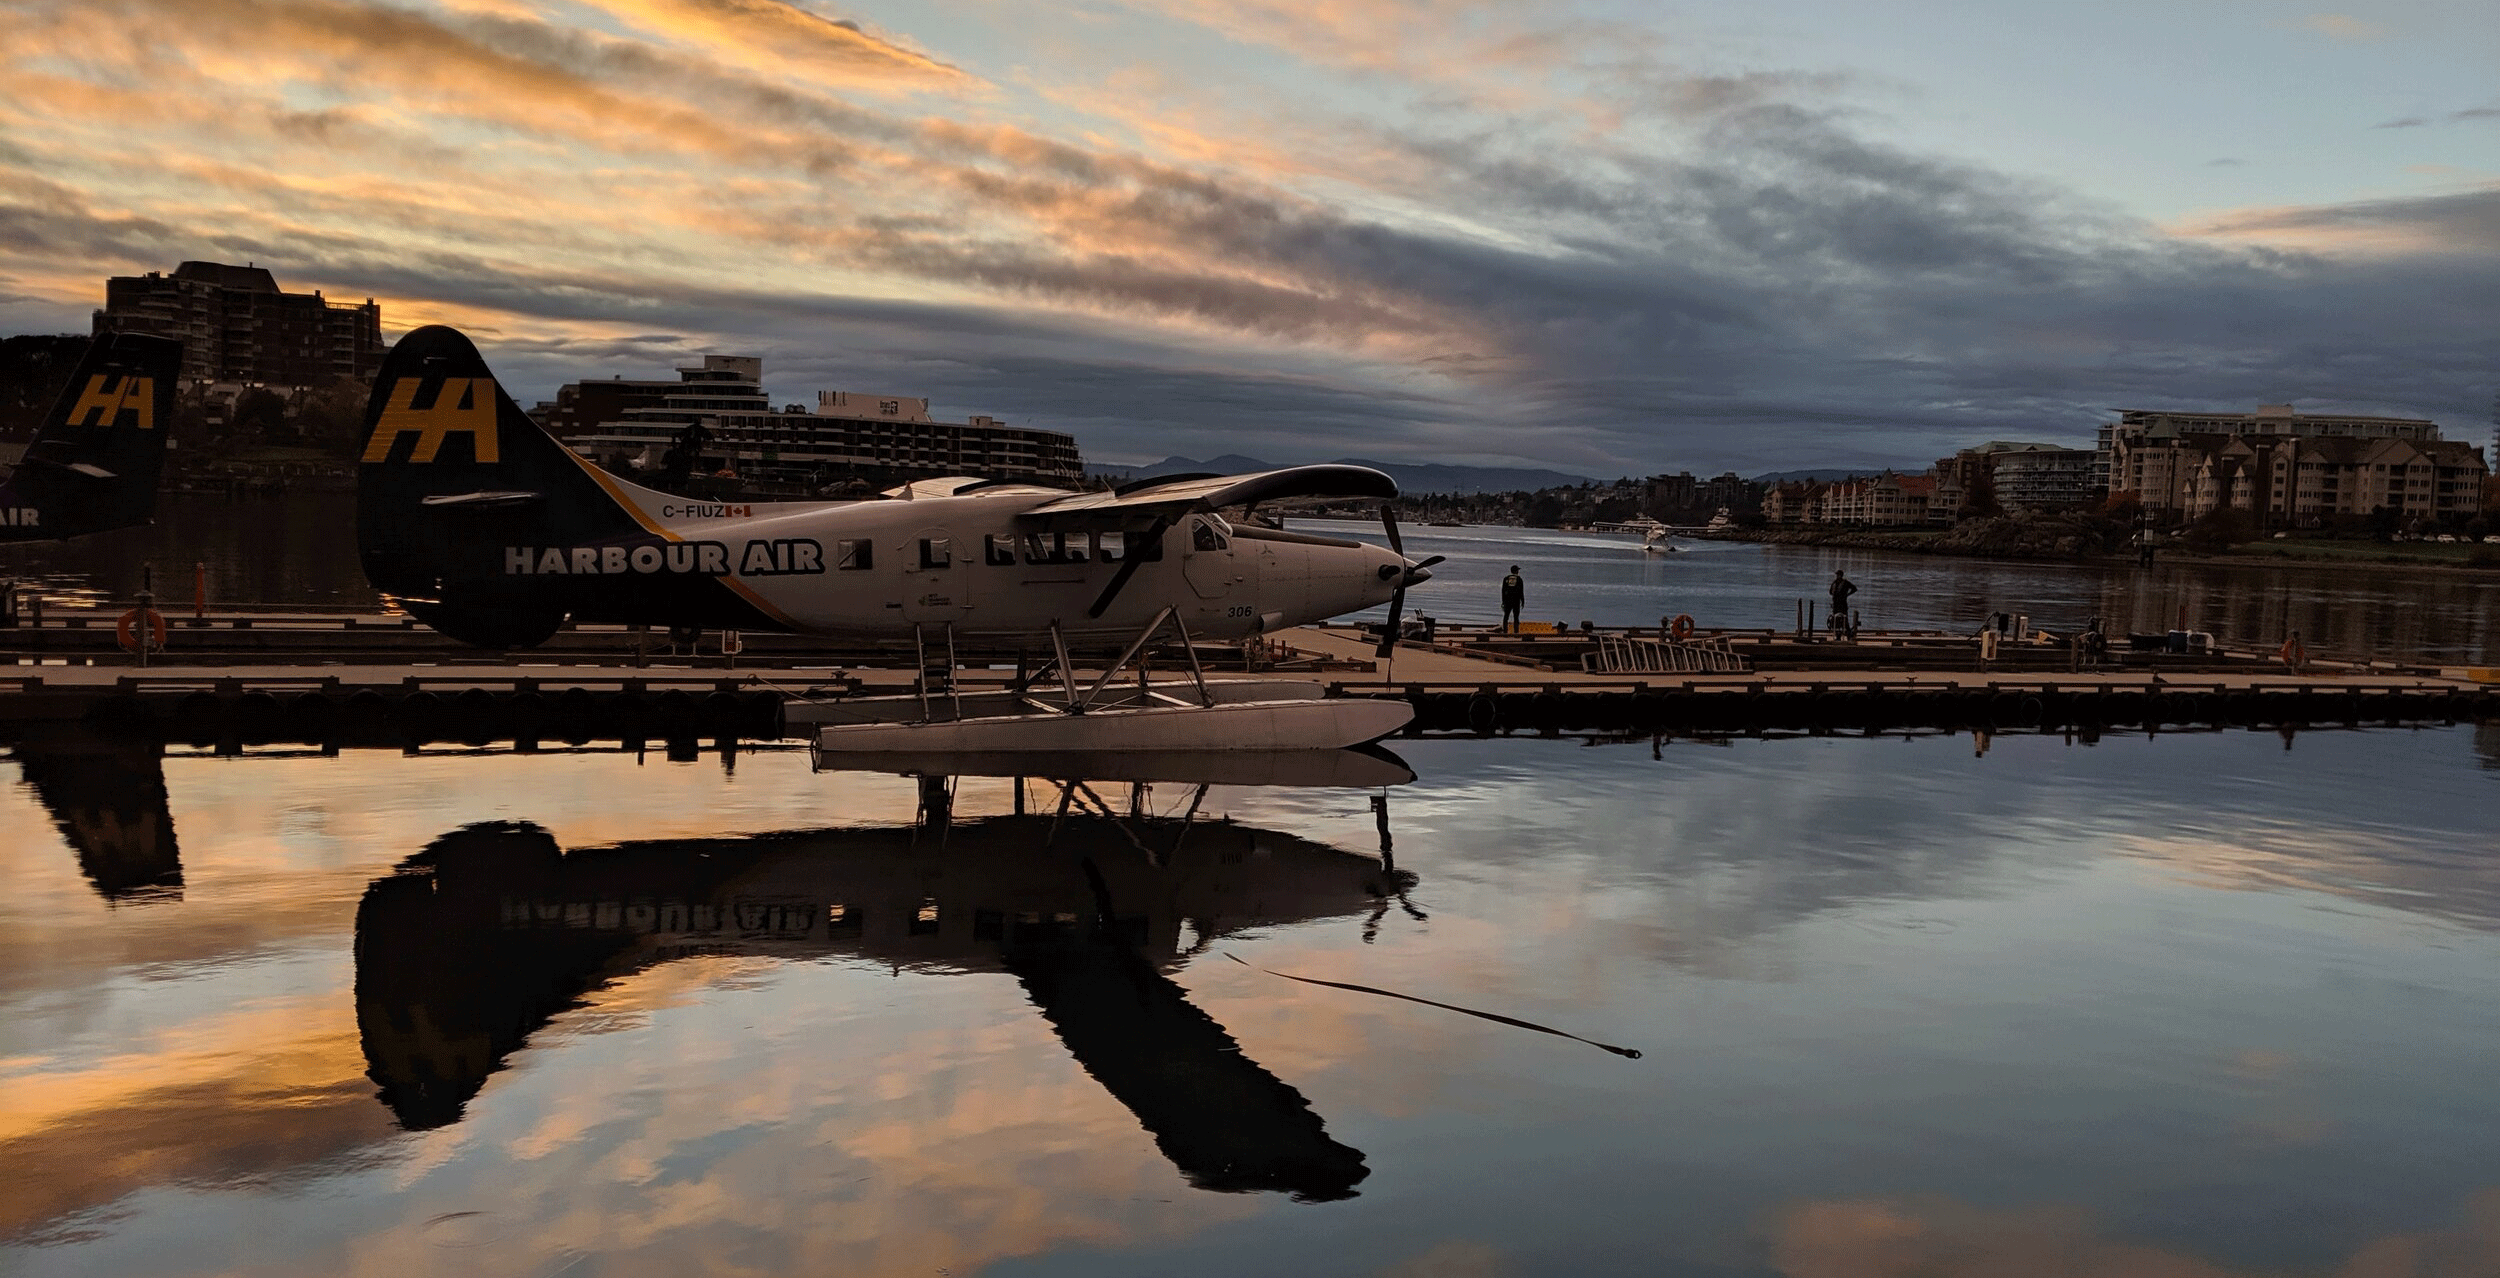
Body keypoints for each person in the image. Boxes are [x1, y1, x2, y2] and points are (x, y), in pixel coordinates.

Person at [1827, 570, 1857, 637]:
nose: (1837, 576)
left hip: (1843, 604)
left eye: (1838, 575)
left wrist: (1847, 594)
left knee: (1845, 619)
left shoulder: (1845, 583)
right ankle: (1837, 633)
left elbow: (1854, 588)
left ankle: (1848, 633)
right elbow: (1830, 592)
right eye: (1837, 575)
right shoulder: (1834, 583)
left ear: (1841, 575)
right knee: (1835, 619)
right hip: (1835, 604)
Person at [1499, 565, 1525, 633]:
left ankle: (1505, 631)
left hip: (1507, 600)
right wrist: (1522, 601)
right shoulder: (1519, 579)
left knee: (1506, 616)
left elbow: (1503, 590)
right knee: (1516, 617)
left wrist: (1503, 601)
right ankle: (1516, 632)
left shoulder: (1506, 579)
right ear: (1516, 571)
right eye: (1518, 570)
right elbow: (1521, 591)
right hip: (1516, 600)